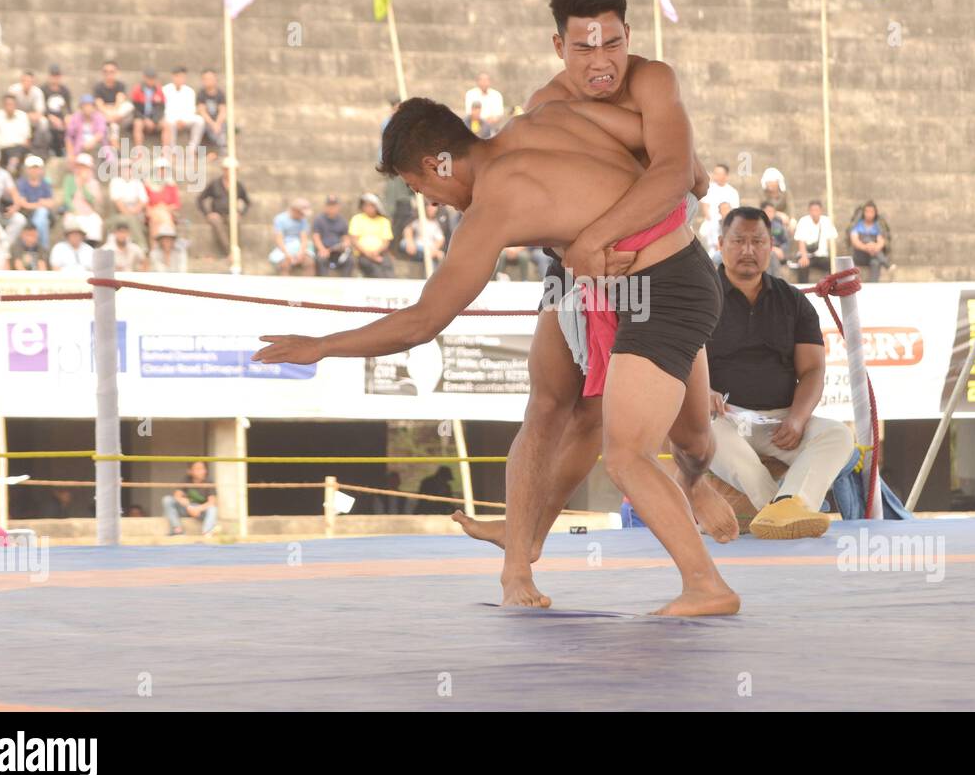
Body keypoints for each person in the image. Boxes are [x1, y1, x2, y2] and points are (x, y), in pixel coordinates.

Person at [255, 96, 738, 616]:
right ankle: (521, 549)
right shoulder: (538, 120)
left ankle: (705, 576)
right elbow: (672, 156)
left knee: (657, 448)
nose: (434, 204)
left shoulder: (493, 205)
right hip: (593, 277)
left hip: (665, 286)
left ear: (436, 162)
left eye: (423, 190)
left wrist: (323, 347)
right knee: (555, 407)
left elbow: (423, 323)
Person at [441, 0, 712, 607]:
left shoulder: (654, 78)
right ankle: (519, 560)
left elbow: (683, 175)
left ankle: (696, 489)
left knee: (692, 435)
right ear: (559, 45)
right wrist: (583, 249)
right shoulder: (544, 106)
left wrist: (601, 235)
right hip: (577, 279)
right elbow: (540, 205)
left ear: (628, 35)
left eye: (612, 44)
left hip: (661, 274)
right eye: (585, 48)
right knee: (551, 407)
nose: (602, 62)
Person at [706, 207, 855, 538]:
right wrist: (702, 391)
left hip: (780, 421)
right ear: (720, 243)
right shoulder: (701, 297)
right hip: (723, 420)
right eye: (739, 241)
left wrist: (798, 419)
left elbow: (814, 369)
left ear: (770, 245)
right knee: (705, 432)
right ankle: (779, 507)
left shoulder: (792, 300)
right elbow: (684, 361)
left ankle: (788, 504)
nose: (748, 250)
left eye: (758, 241)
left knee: (839, 435)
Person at [196, 162, 250, 258]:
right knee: (216, 222)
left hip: (231, 214)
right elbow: (200, 199)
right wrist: (208, 213)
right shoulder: (215, 184)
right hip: (217, 214)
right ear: (224, 170)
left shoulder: (238, 185)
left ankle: (234, 248)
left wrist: (240, 213)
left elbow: (247, 202)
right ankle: (229, 251)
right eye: (227, 169)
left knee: (235, 221)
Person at [163, 461, 219, 536]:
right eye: (198, 469)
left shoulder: (209, 481)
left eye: (203, 468)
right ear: (190, 471)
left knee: (213, 508)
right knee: (167, 500)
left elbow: (212, 502)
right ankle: (177, 530)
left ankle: (207, 532)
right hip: (187, 508)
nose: (202, 471)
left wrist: (198, 509)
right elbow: (177, 495)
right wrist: (188, 506)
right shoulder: (187, 479)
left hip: (200, 511)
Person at [14, 155, 56, 248]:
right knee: (42, 215)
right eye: (32, 168)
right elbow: (23, 203)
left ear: (41, 170)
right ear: (27, 169)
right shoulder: (21, 183)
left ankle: (42, 247)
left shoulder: (45, 184)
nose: (34, 171)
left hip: (44, 215)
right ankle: (44, 247)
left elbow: (51, 203)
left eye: (37, 168)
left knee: (42, 214)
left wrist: (38, 205)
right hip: (27, 214)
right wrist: (40, 204)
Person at [348, 193, 394, 277]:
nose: (369, 208)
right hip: (363, 255)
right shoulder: (357, 219)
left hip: (380, 254)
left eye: (372, 205)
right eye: (366, 205)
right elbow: (354, 240)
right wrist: (370, 255)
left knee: (388, 270)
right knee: (375, 271)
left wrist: (376, 253)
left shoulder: (384, 221)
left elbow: (386, 242)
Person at [847, 200, 892, 281]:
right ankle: (886, 263)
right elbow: (855, 241)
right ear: (863, 213)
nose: (869, 214)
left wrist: (874, 248)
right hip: (860, 255)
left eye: (871, 212)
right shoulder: (858, 224)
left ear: (875, 213)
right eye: (867, 211)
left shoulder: (878, 225)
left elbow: (881, 241)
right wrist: (866, 247)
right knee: (866, 239)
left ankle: (873, 285)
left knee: (875, 262)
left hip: (873, 255)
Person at [792, 199, 836, 282]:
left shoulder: (826, 221)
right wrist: (804, 256)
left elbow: (832, 240)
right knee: (803, 265)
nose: (814, 212)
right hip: (807, 255)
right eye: (812, 210)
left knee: (833, 265)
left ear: (821, 211)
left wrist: (833, 256)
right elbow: (801, 240)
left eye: (816, 210)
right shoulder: (803, 221)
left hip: (822, 256)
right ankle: (802, 290)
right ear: (809, 211)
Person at [269, 197, 315, 275]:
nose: (303, 216)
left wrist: (301, 253)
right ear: (294, 210)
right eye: (301, 213)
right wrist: (287, 254)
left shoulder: (303, 221)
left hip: (300, 248)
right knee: (284, 265)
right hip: (285, 249)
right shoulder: (280, 219)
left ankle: (307, 285)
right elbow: (279, 239)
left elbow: (304, 239)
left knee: (309, 263)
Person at [312, 194, 352, 276]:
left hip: (338, 251)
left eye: (334, 206)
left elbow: (346, 238)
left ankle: (345, 283)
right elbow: (316, 237)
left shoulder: (342, 221)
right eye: (329, 205)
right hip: (324, 251)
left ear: (338, 207)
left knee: (349, 261)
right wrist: (322, 249)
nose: (332, 208)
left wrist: (345, 244)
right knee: (321, 260)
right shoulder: (319, 220)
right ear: (325, 206)